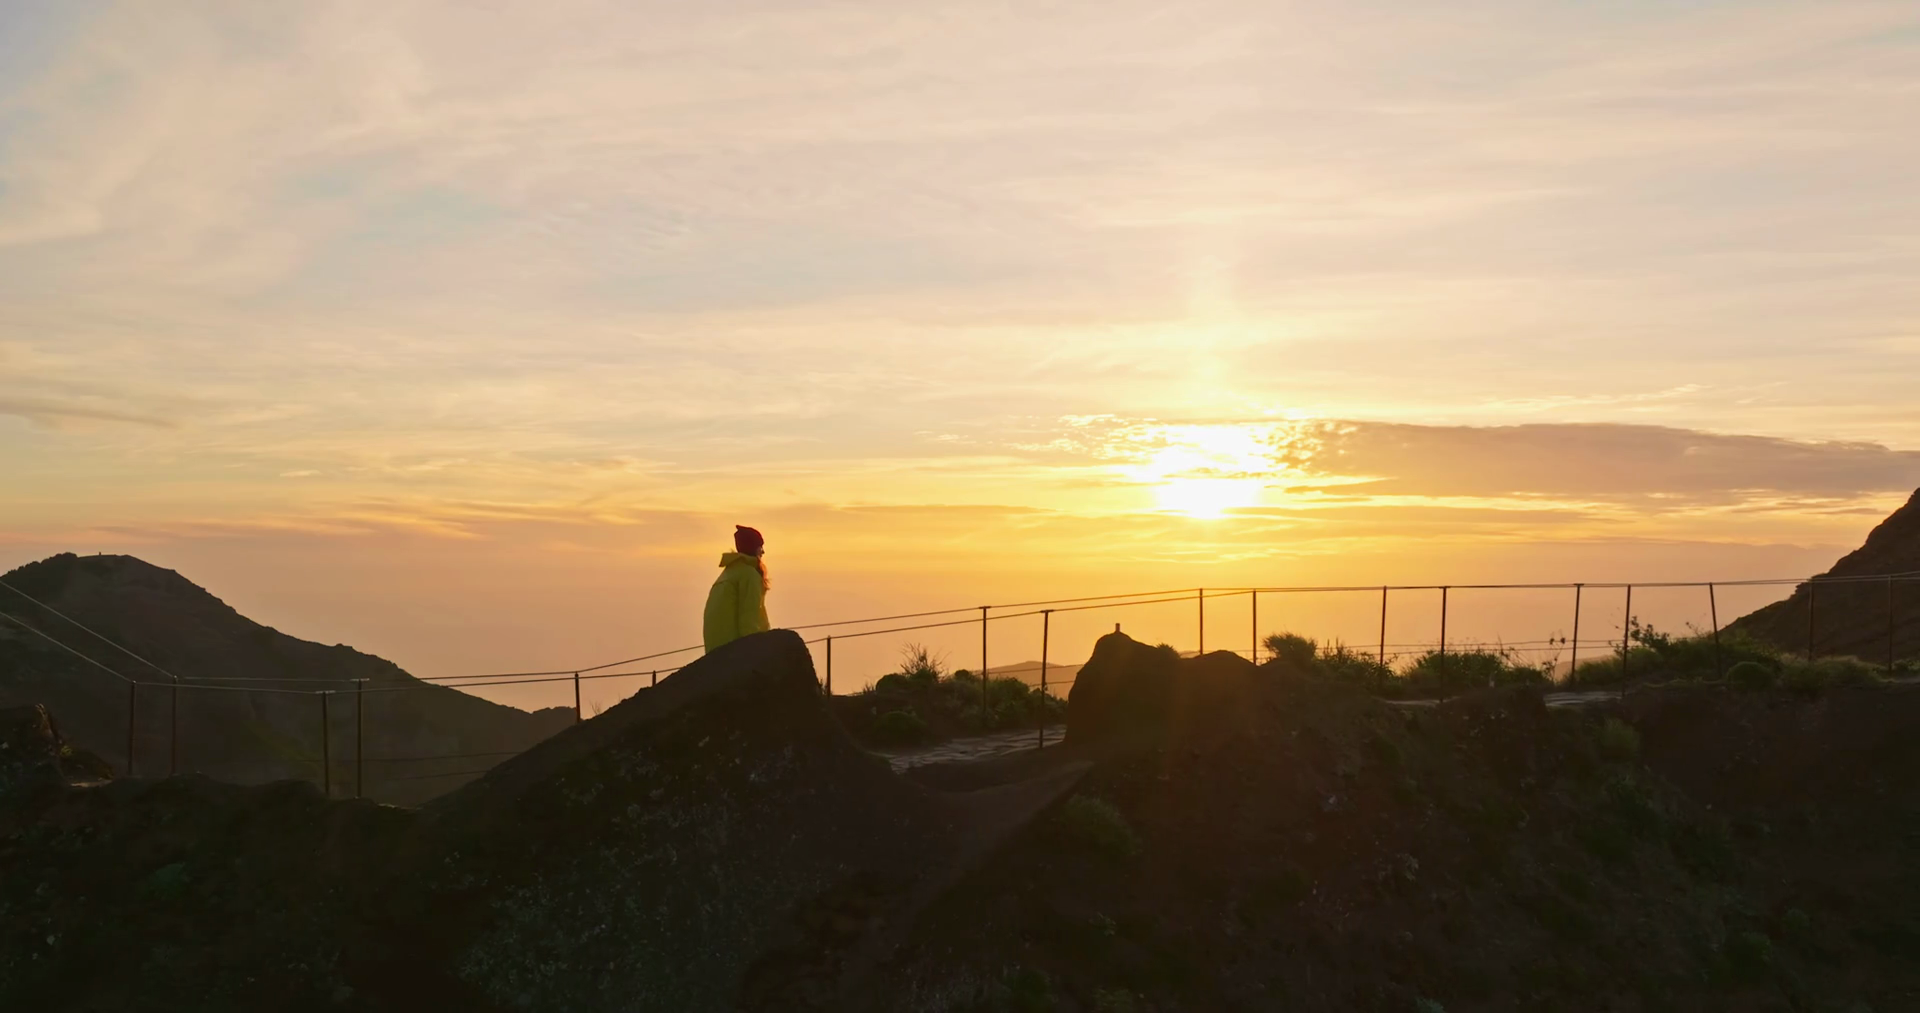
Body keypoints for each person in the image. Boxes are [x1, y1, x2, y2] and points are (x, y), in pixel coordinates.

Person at [703, 525, 771, 653]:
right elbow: (749, 621)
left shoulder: (729, 572)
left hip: (715, 650)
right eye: (760, 547)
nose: (763, 552)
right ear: (753, 550)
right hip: (733, 650)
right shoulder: (749, 575)